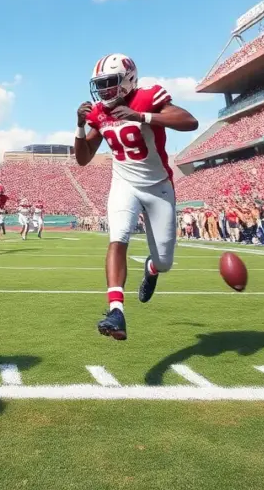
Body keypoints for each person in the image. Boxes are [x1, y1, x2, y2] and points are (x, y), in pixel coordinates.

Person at [75, 53, 198, 341]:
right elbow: (82, 159)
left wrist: (140, 116)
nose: (105, 90)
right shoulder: (99, 113)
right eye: (100, 84)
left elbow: (189, 121)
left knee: (165, 261)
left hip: (158, 186)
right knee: (117, 238)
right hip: (124, 183)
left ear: (128, 80)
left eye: (110, 82)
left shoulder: (147, 97)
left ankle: (152, 268)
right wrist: (79, 126)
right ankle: (116, 310)